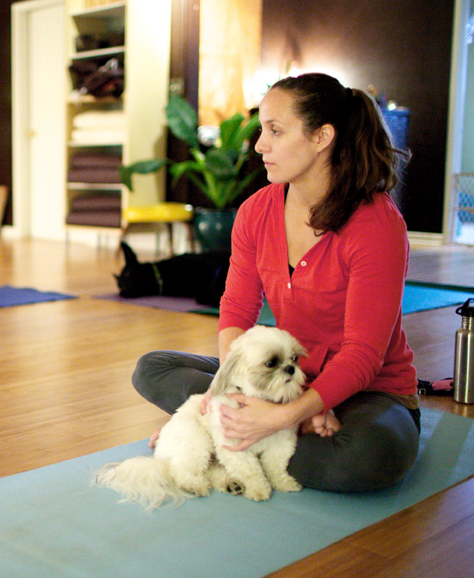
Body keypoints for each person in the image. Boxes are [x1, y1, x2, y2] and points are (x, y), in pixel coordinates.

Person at [132, 73, 420, 493]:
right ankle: (242, 431)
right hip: (275, 376)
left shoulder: (376, 225)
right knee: (152, 368)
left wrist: (290, 414)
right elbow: (235, 309)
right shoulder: (256, 212)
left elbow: (364, 354)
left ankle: (231, 437)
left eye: (275, 130)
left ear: (322, 137)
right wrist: (241, 392)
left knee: (365, 460)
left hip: (369, 392)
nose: (260, 144)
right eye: (261, 129)